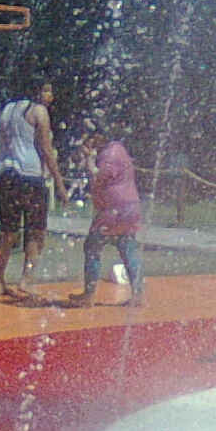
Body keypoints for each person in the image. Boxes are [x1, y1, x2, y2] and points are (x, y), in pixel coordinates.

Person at [0, 79, 68, 298]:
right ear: (36, 92)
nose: (50, 96)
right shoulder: (38, 112)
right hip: (30, 176)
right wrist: (59, 182)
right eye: (46, 91)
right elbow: (46, 149)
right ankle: (26, 280)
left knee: (7, 232)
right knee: (36, 231)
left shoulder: (6, 110)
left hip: (3, 176)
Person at [66, 127, 144, 307]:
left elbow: (98, 176)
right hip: (130, 206)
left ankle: (89, 294)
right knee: (128, 248)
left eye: (90, 139)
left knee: (92, 247)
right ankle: (138, 294)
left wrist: (87, 159)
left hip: (113, 210)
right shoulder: (120, 150)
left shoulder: (109, 155)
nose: (89, 143)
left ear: (99, 137)